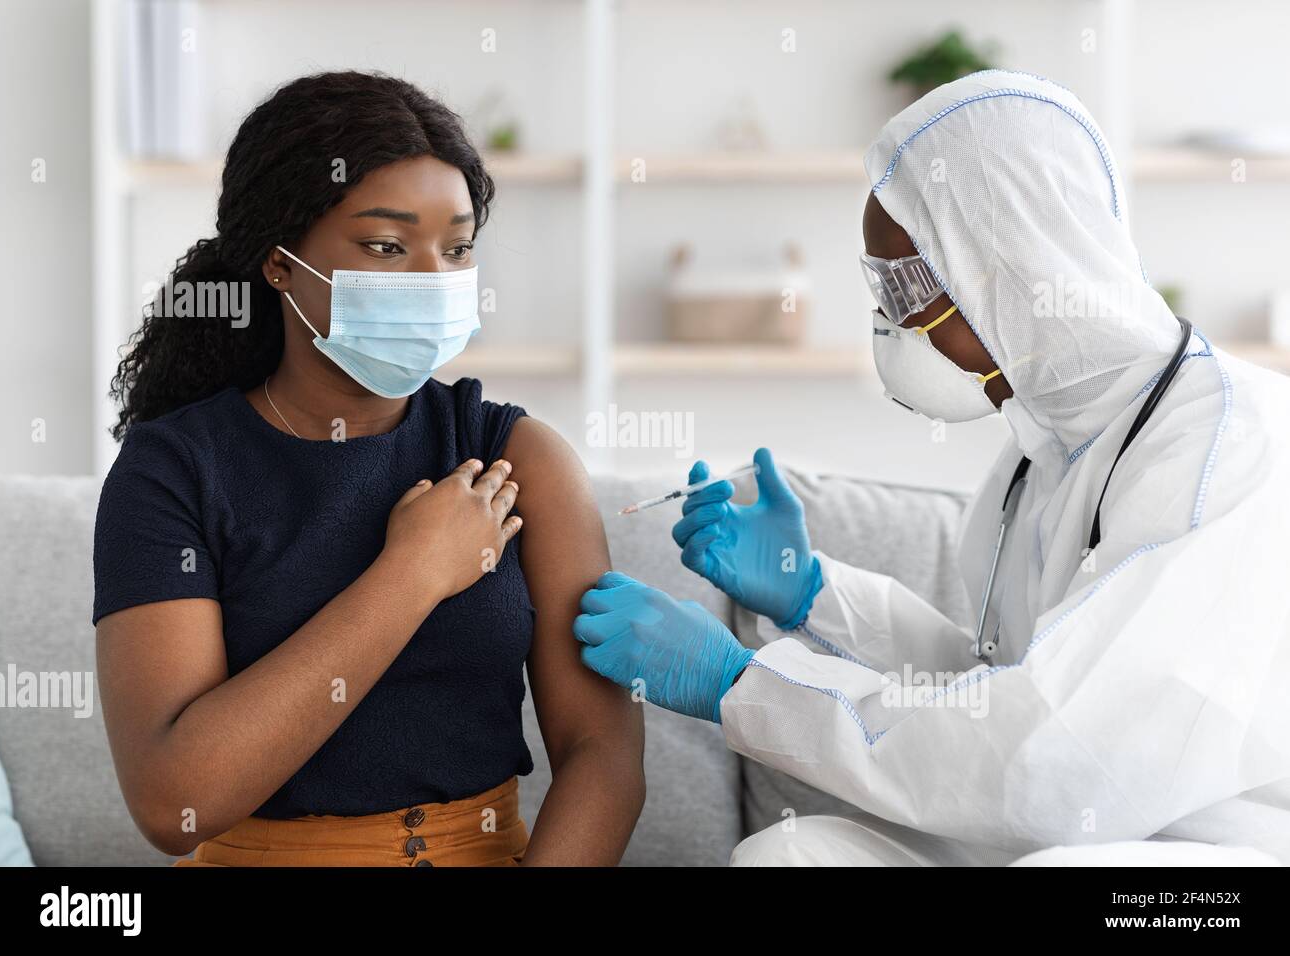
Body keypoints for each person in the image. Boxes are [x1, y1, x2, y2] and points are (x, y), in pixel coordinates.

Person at [573, 70, 1290, 866]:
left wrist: (741, 685)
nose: (894, 322)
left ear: (1012, 265)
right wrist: (815, 592)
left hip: (1213, 871)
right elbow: (989, 695)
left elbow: (1055, 762)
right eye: (881, 287)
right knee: (792, 857)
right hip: (1066, 830)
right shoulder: (1043, 449)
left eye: (909, 284)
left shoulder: (1234, 447)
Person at [94, 72, 644, 867]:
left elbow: (605, 758)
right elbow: (174, 805)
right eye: (387, 247)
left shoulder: (520, 459)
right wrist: (414, 572)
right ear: (278, 265)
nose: (433, 279)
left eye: (456, 248)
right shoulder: (172, 473)